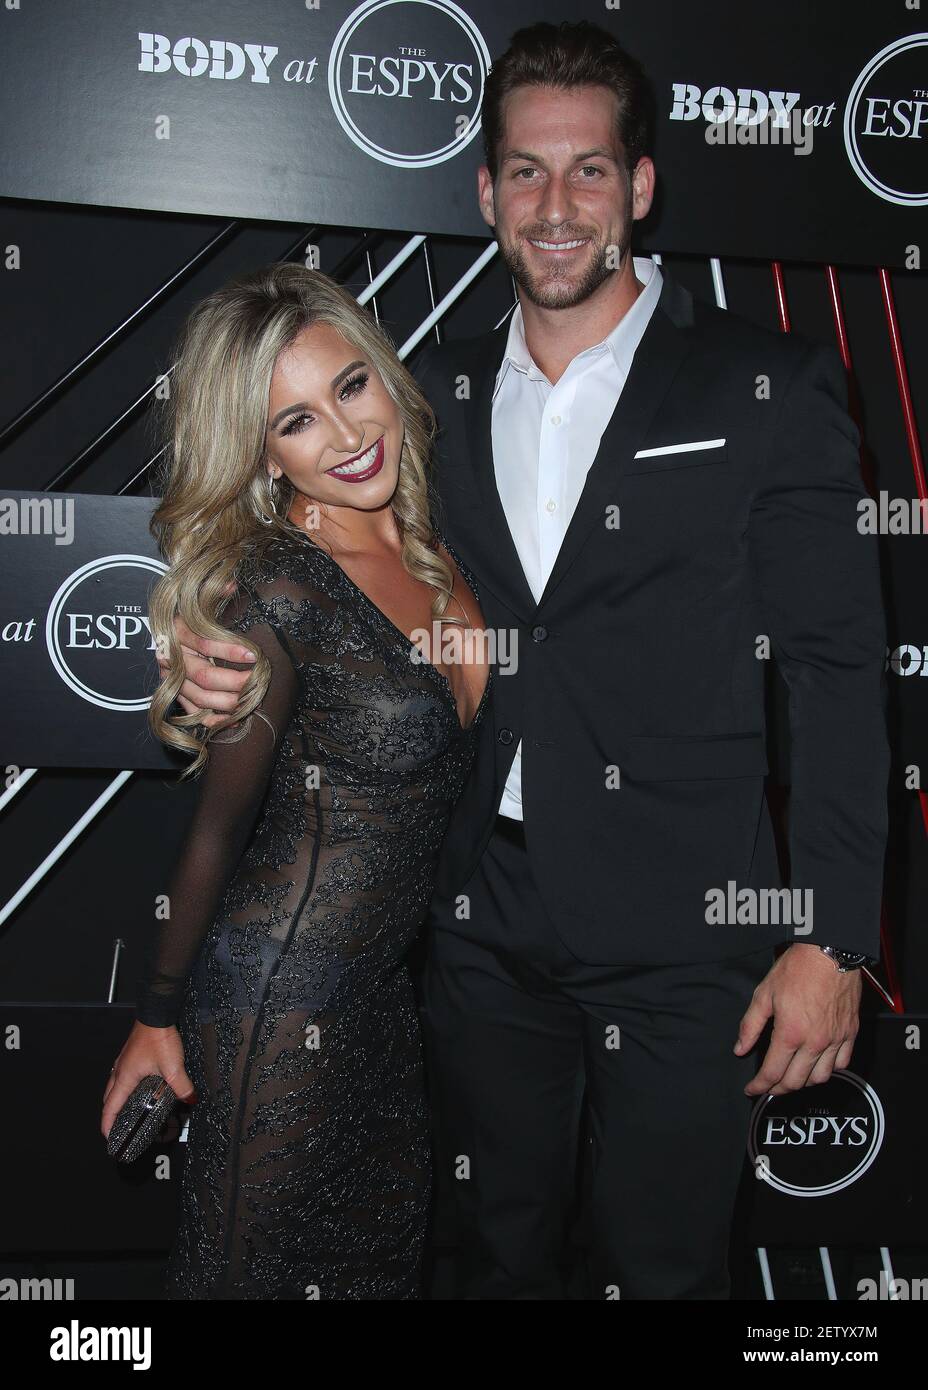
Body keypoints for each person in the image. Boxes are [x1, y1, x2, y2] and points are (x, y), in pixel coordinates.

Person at [165, 21, 890, 1299]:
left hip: (688, 931)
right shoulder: (423, 399)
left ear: (640, 187)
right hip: (479, 922)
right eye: (525, 173)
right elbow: (301, 537)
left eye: (589, 171)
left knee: (666, 1268)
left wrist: (832, 939)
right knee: (490, 1256)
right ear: (485, 189)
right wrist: (201, 635)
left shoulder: (764, 385)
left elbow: (837, 675)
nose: (556, 207)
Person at [101, 262, 490, 1300]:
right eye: (296, 423)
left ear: (386, 378)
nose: (346, 435)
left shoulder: (443, 550)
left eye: (351, 388)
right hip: (275, 1008)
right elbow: (214, 835)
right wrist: (156, 1015)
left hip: (381, 1013)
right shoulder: (279, 586)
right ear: (264, 456)